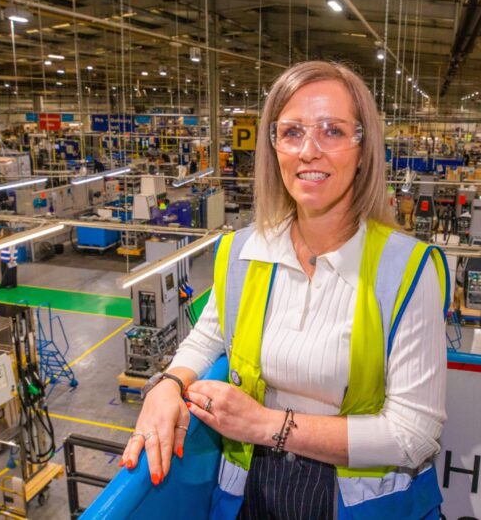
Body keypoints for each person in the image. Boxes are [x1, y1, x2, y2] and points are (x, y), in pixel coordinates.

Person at [121, 61, 449, 519]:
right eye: (292, 132)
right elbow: (208, 335)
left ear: (363, 148)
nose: (309, 151)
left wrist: (267, 426)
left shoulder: (407, 269)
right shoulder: (243, 252)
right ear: (273, 147)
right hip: (255, 491)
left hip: (356, 503)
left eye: (332, 131)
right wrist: (168, 385)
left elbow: (413, 434)